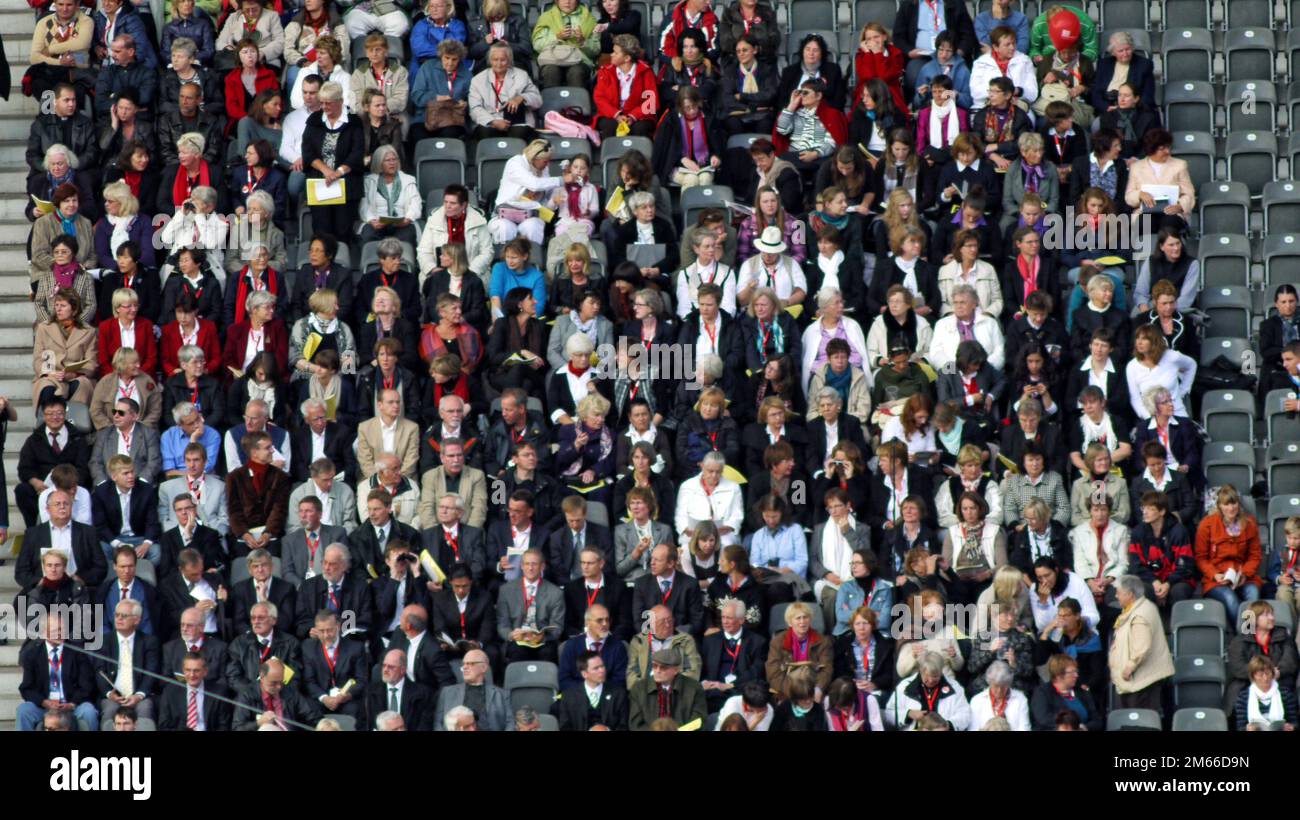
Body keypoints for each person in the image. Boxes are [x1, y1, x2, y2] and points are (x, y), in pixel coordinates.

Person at [17, 615, 101, 732]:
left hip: (71, 705)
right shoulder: (32, 654)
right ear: (44, 632)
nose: (60, 634)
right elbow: (26, 688)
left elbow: (87, 686)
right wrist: (44, 702)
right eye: (55, 630)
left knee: (89, 711)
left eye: (62, 629)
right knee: (24, 710)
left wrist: (71, 704)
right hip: (45, 706)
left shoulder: (77, 652)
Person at [1109, 574, 1175, 713]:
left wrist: (1129, 668)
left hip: (1140, 682)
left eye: (1119, 593)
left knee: (1139, 722)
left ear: (1130, 595)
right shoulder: (1141, 607)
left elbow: (1142, 647)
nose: (1115, 596)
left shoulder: (1140, 615)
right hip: (1139, 681)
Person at [1195, 485, 1264, 614]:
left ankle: (1246, 632)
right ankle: (1246, 631)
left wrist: (1245, 574)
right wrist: (1215, 574)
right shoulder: (1207, 524)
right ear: (1219, 506)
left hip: (1243, 576)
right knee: (1230, 598)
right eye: (1226, 504)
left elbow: (1255, 556)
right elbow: (1201, 558)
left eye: (1234, 503)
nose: (1231, 508)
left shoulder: (1249, 524)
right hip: (1216, 579)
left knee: (1253, 594)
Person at [885, 650, 971, 730]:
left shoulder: (955, 687)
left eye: (935, 676)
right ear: (920, 670)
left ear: (941, 671)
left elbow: (965, 714)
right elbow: (887, 714)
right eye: (927, 676)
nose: (930, 680)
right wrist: (908, 714)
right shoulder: (904, 686)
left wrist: (948, 725)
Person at [628, 646, 708, 730]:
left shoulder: (694, 688)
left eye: (663, 667)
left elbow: (699, 720)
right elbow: (635, 724)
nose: (658, 670)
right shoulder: (639, 688)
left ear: (676, 670)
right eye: (655, 666)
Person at [556, 650, 629, 730]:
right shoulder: (569, 696)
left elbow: (623, 725)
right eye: (596, 668)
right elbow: (565, 727)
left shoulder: (619, 694)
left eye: (602, 666)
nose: (602, 670)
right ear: (584, 674)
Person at [1029, 653, 1101, 730]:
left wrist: (1084, 727)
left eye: (1076, 671)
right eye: (1072, 672)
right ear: (1059, 675)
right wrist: (1070, 727)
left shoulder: (1082, 692)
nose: (1076, 675)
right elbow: (1044, 719)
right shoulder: (1042, 692)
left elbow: (1097, 720)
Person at [1235, 656, 1299, 732]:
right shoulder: (1243, 697)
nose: (1265, 678)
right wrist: (1248, 729)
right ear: (1253, 676)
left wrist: (1290, 727)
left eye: (1268, 673)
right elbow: (1240, 726)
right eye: (1260, 675)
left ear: (1273, 674)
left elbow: (1294, 722)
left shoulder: (1285, 694)